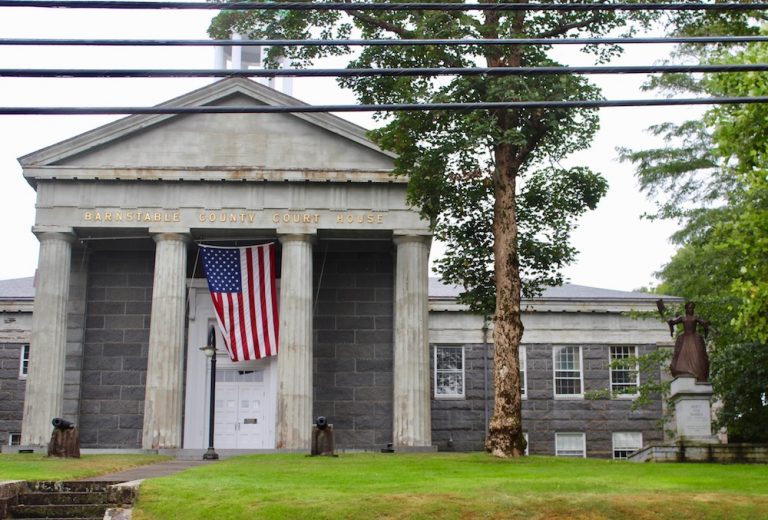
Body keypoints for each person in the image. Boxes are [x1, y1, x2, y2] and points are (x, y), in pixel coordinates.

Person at [668, 301, 710, 382]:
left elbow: (703, 322)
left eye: (692, 308)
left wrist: (706, 324)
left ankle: (698, 374)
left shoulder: (696, 317)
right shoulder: (682, 318)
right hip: (685, 339)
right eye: (689, 308)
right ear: (686, 309)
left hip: (694, 338)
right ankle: (683, 371)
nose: (691, 309)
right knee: (681, 357)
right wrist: (670, 322)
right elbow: (673, 322)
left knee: (697, 357)